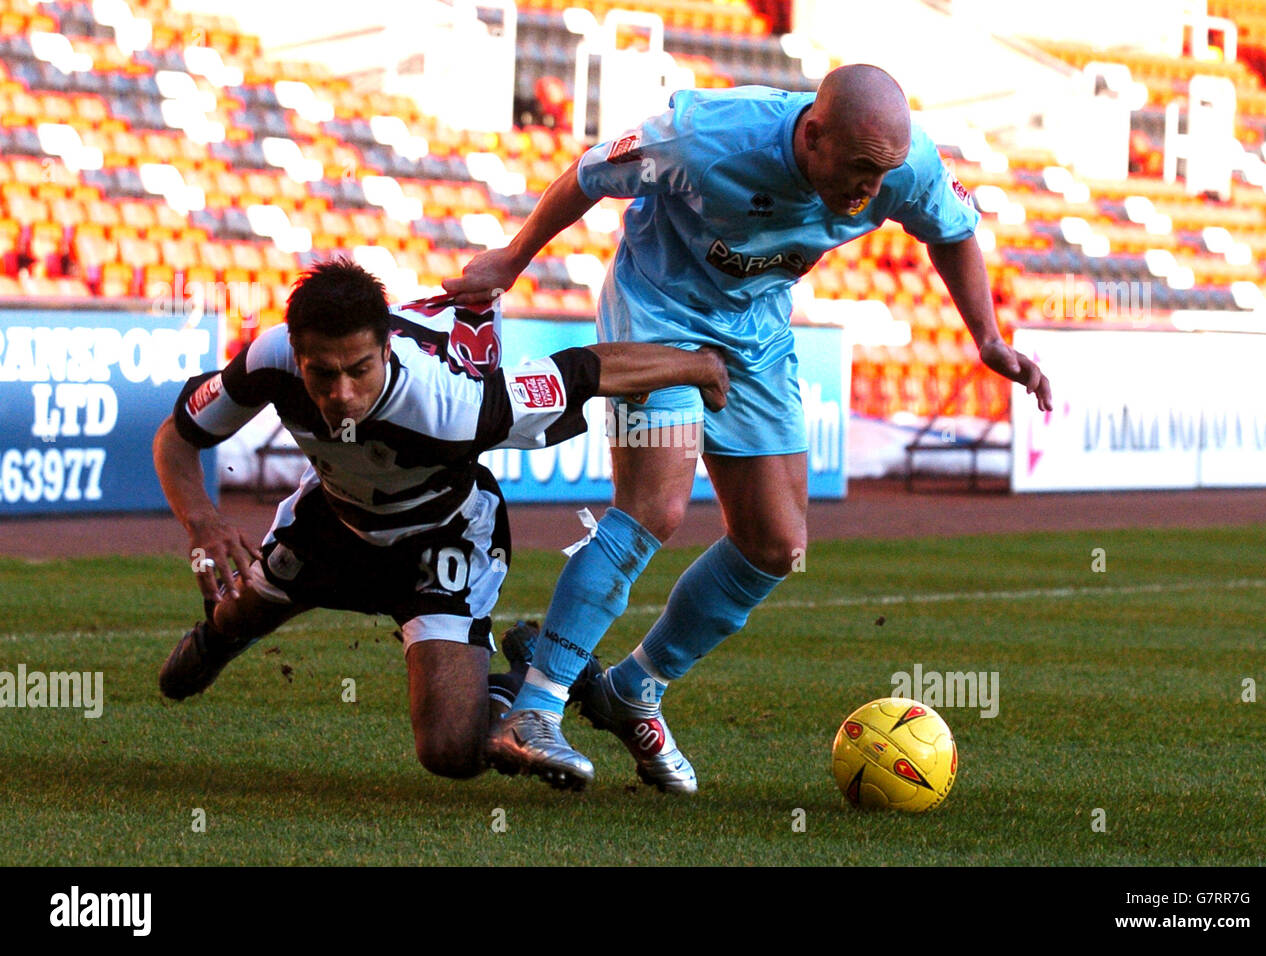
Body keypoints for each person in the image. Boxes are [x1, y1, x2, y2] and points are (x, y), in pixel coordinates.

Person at [444, 64, 1053, 793]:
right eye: (858, 171)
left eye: (881, 177)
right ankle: (535, 707)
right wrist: (513, 259)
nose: (868, 193)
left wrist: (986, 338)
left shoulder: (903, 164)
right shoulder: (705, 139)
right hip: (659, 312)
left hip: (756, 328)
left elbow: (951, 232)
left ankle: (633, 687)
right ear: (814, 135)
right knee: (656, 508)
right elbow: (587, 172)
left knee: (776, 543)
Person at [152, 258, 728, 788]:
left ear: (386, 348)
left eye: (358, 370)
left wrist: (699, 365)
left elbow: (583, 370)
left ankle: (526, 684)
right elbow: (177, 438)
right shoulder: (267, 360)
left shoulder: (453, 405)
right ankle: (221, 632)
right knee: (203, 651)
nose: (342, 395)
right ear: (295, 355)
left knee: (451, 752)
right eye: (321, 375)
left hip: (441, 538)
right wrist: (202, 521)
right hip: (334, 517)